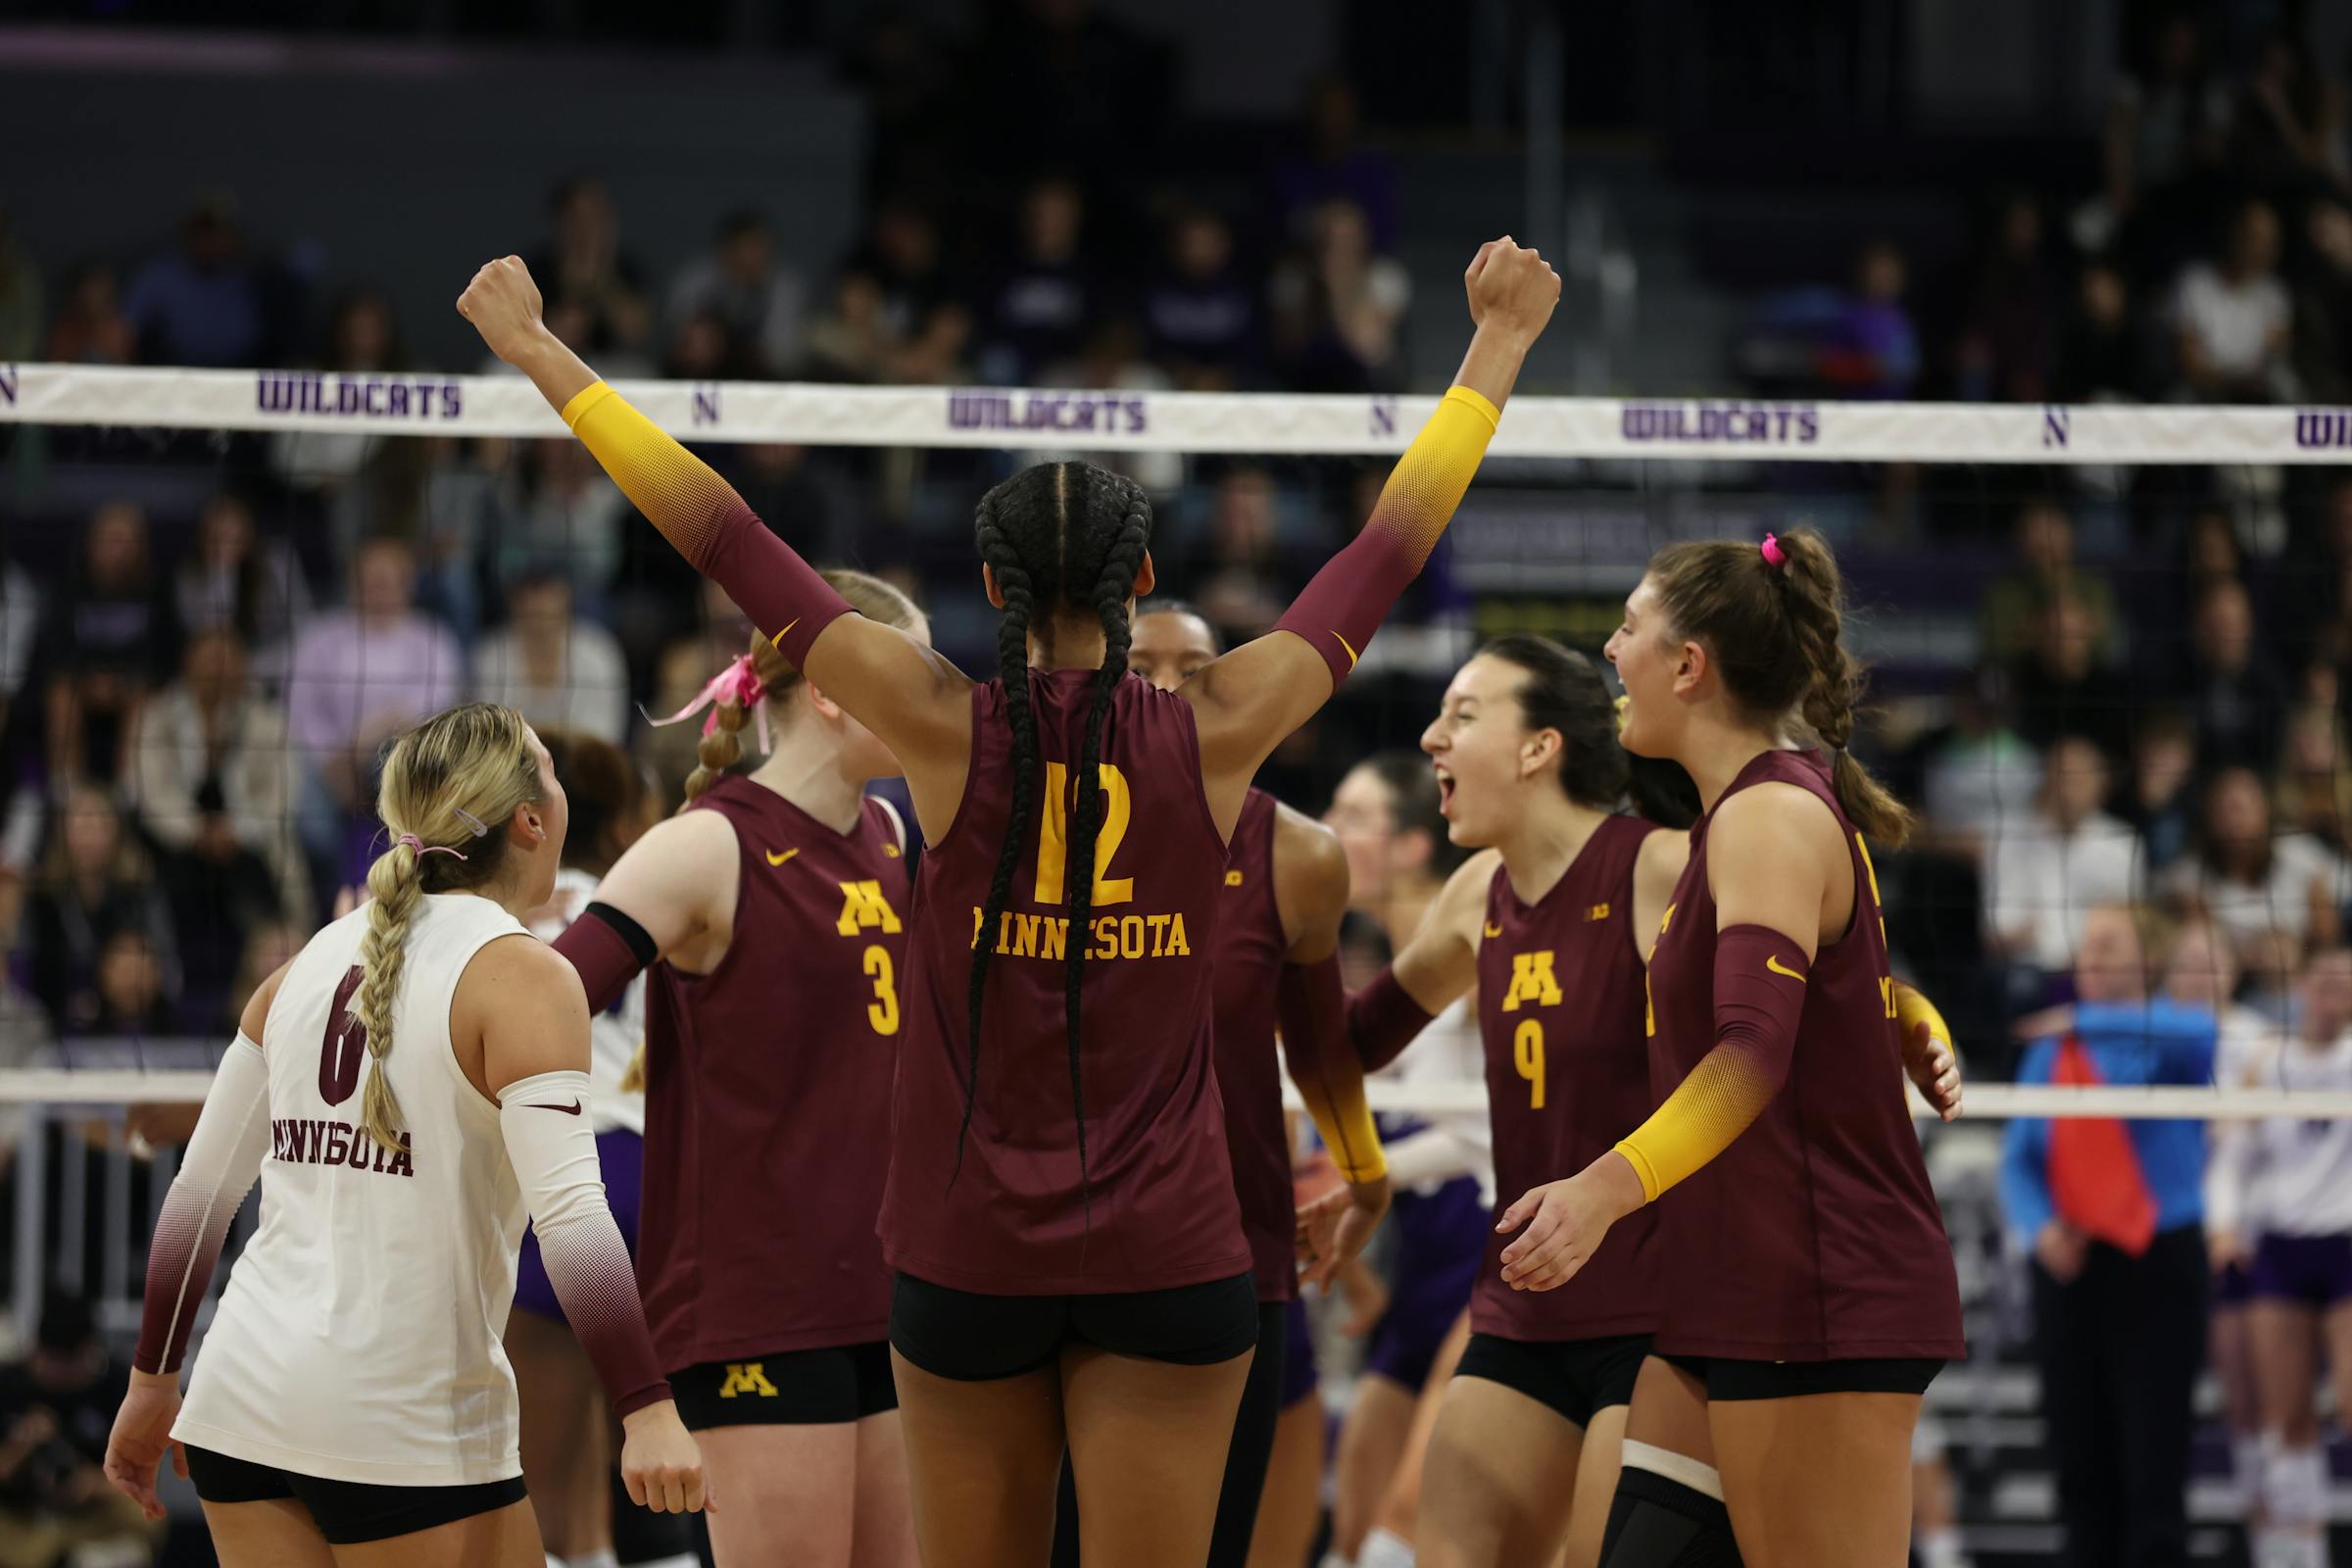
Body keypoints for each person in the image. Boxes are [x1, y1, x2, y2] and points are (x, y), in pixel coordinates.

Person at [460, 233, 1558, 1567]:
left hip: (968, 1259)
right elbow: (1388, 545)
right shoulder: (1219, 723)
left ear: (988, 592)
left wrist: (536, 354)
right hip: (1170, 1256)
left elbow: (722, 530)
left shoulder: (936, 725)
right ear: (1143, 581)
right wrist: (1495, 344)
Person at [102, 703, 709, 1565]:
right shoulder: (526, 975)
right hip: (407, 1424)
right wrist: (647, 1409)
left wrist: (150, 1386)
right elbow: (572, 1221)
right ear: (532, 819)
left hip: (242, 1407)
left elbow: (196, 1203)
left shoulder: (301, 964)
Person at [1512, 528, 1965, 1566]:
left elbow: (1752, 1056)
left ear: (1689, 665)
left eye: (1628, 627)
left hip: (1817, 1299)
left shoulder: (1768, 813)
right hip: (1725, 1296)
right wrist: (1901, 1014)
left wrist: (1601, 1189)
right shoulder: (1743, 816)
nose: (1611, 654)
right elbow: (1824, 1000)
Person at [546, 575, 927, 1568]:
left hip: (892, 1296)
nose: (934, 695)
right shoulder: (705, 848)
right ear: (838, 690)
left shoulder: (892, 836)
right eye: (913, 669)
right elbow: (539, 1001)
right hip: (759, 1307)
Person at [1308, 639, 1686, 1568]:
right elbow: (1348, 1050)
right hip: (1524, 1304)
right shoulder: (1479, 890)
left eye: (1464, 716)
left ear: (1538, 748)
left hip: (1662, 1312)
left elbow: (1768, 1048)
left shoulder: (1659, 870)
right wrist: (1365, 1179)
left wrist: (1906, 1011)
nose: (1434, 736)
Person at [1049, 603, 1391, 1568]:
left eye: (1192, 667)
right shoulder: (1028, 823)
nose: (1162, 683)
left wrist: (1364, 1173)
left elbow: (1321, 1047)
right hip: (1053, 1253)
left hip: (1232, 1248)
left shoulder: (1297, 852)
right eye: (1137, 663)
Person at [505, 730, 684, 1568]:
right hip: (657, 1179)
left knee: (539, 1481)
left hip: (568, 1178)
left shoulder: (504, 916)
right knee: (625, 1457)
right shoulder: (644, 895)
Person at [2000, 904, 2214, 1568]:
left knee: (2153, 1475)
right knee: (2080, 1469)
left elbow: (2201, 1033)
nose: (2089, 954)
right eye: (2086, 942)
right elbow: (2019, 1160)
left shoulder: (2174, 1035)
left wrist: (2077, 1018)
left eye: (2108, 943)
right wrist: (2040, 1232)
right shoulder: (2050, 1051)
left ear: (2146, 961)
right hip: (2071, 1267)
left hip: (2159, 1264)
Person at [1316, 753, 1489, 1568]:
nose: (1328, 832)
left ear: (1412, 846)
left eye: (1353, 817)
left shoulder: (1474, 956)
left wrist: (1362, 1170)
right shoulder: (1382, 970)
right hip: (1416, 1264)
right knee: (1355, 1532)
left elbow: (1488, 1131)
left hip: (1485, 1252)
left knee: (1406, 1530)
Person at [2207, 948, 2352, 1568]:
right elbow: (2233, 1156)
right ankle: (2299, 1553)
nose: (2331, 990)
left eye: (2344, 983)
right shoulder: (2266, 1061)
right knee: (2284, 1417)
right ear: (2301, 988)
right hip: (2281, 1245)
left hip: (2345, 1242)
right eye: (2321, 978)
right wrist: (2223, 1227)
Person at [0, 1292, 156, 1568]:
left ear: (88, 1353)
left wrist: (92, 1483)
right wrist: (24, 1442)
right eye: (50, 1361)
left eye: (68, 1363)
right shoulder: (10, 1384)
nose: (56, 1373)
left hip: (86, 1518)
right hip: (20, 1520)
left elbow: (139, 1476)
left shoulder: (116, 1387)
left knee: (142, 1513)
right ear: (37, 1350)